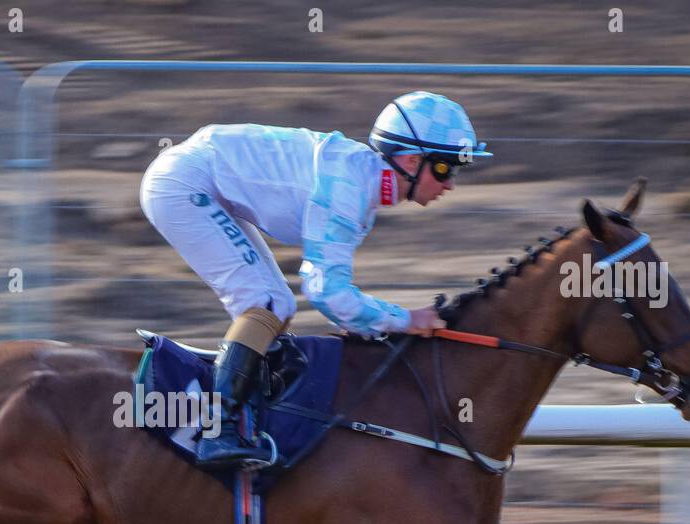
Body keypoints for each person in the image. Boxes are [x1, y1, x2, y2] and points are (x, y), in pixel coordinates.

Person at [139, 90, 492, 466]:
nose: (450, 183)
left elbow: (332, 299)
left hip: (200, 177)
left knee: (279, 305)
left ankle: (247, 410)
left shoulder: (362, 184)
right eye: (445, 168)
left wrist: (382, 322)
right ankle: (219, 429)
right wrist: (406, 320)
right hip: (183, 185)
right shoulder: (347, 191)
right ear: (411, 160)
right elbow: (328, 295)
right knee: (267, 304)